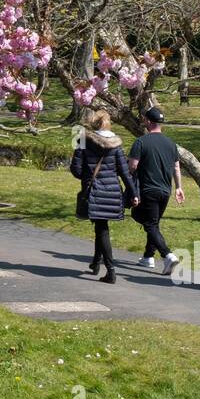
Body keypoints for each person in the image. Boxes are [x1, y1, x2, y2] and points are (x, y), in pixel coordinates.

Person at [70, 109, 136, 284]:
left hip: (94, 191)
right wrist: (133, 193)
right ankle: (95, 263)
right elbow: (124, 172)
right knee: (101, 226)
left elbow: (76, 170)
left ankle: (111, 271)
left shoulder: (83, 140)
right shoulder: (116, 145)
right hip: (112, 192)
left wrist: (87, 176)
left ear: (93, 123)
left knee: (102, 229)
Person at [127, 106, 184, 274]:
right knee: (154, 223)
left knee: (141, 218)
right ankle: (148, 256)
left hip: (148, 189)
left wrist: (130, 170)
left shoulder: (141, 142)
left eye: (145, 119)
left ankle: (168, 255)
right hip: (165, 190)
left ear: (148, 122)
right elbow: (176, 168)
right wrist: (179, 187)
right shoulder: (171, 144)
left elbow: (132, 166)